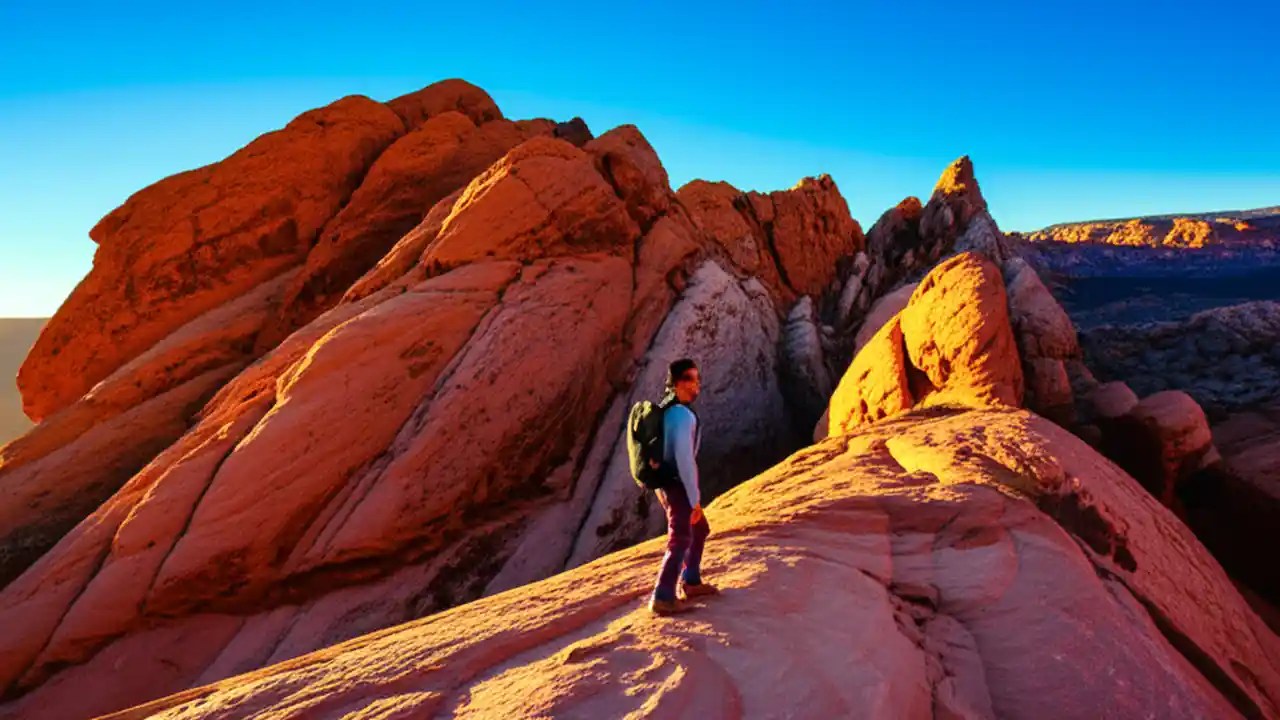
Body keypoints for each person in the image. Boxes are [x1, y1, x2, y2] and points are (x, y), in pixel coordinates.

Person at [650, 358, 718, 615]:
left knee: (699, 529)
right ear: (678, 383)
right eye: (691, 378)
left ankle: (691, 581)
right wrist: (694, 498)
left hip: (667, 483)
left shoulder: (667, 411)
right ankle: (663, 595)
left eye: (697, 378)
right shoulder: (680, 415)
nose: (697, 383)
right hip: (677, 484)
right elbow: (684, 459)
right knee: (680, 537)